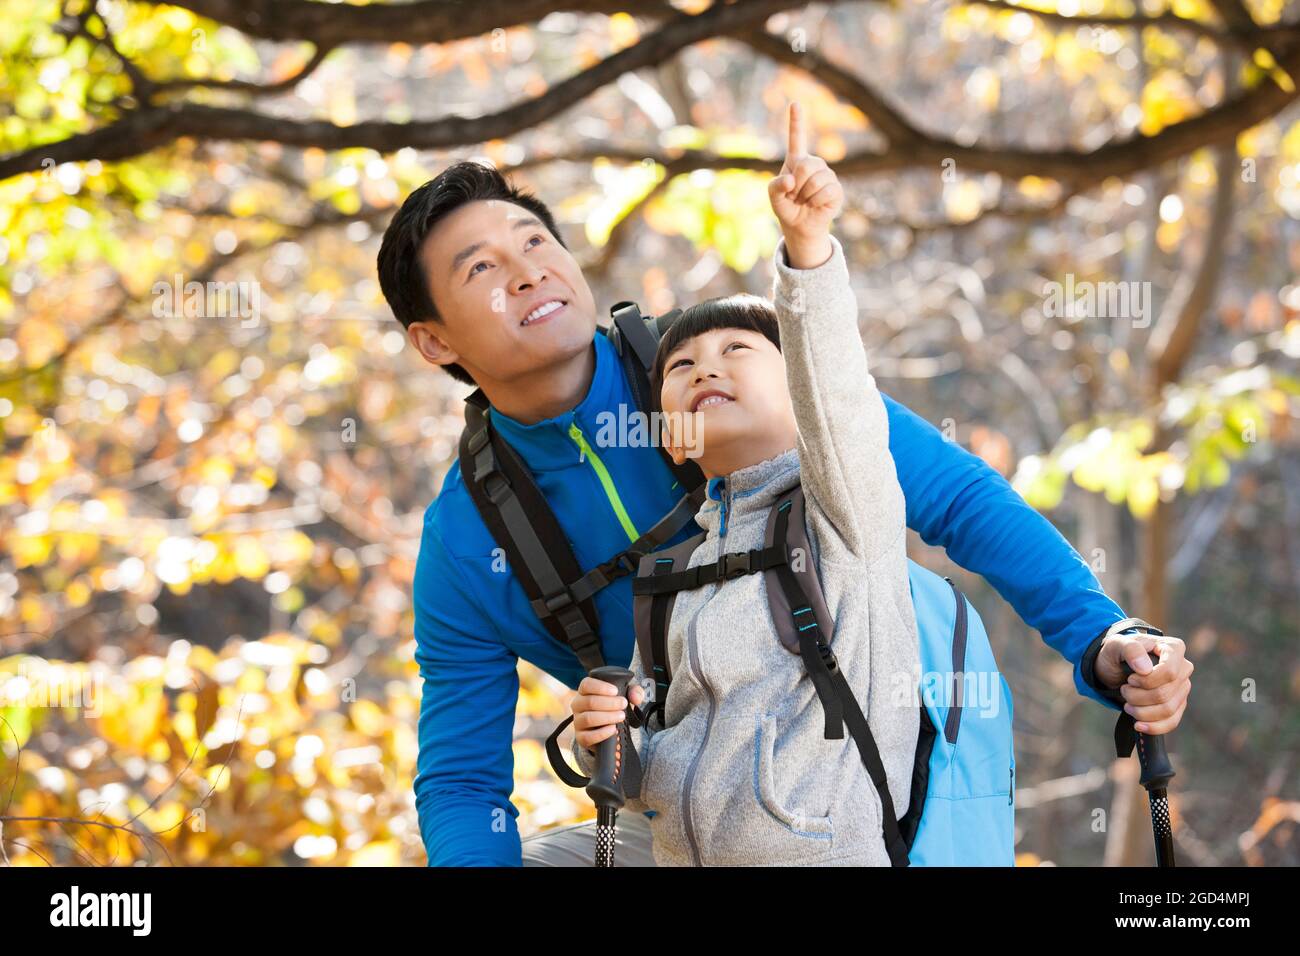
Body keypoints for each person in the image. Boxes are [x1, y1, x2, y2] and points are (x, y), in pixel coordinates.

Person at [376, 106, 1195, 867]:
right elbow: (461, 783)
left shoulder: (727, 373)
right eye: (481, 266)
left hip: (889, 768)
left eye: (535, 242)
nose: (527, 273)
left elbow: (957, 499)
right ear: (433, 341)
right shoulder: (466, 541)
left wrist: (1102, 637)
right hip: (695, 812)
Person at [568, 103, 921, 865]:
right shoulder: (671, 574)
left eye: (737, 349)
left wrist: (806, 251)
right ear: (668, 434)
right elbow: (647, 774)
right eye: (681, 368)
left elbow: (838, 394)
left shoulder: (841, 514)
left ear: (797, 386)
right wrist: (600, 735)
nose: (706, 369)